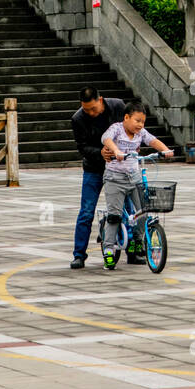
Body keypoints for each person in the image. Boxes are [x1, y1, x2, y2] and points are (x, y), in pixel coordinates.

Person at [100, 103, 173, 269]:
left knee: (143, 212)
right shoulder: (117, 129)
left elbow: (153, 140)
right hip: (114, 178)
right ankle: (109, 251)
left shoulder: (141, 133)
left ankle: (137, 242)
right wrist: (116, 151)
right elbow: (106, 138)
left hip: (134, 177)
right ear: (126, 118)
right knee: (114, 216)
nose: (140, 125)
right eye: (137, 121)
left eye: (143, 122)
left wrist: (166, 150)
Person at [69, 86, 126, 269]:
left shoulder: (117, 106)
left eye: (93, 109)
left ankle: (134, 251)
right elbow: (82, 147)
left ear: (100, 100)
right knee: (86, 212)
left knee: (129, 211)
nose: (91, 113)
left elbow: (129, 128)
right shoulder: (78, 119)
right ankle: (79, 255)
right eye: (86, 110)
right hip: (94, 168)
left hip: (119, 168)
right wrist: (100, 153)